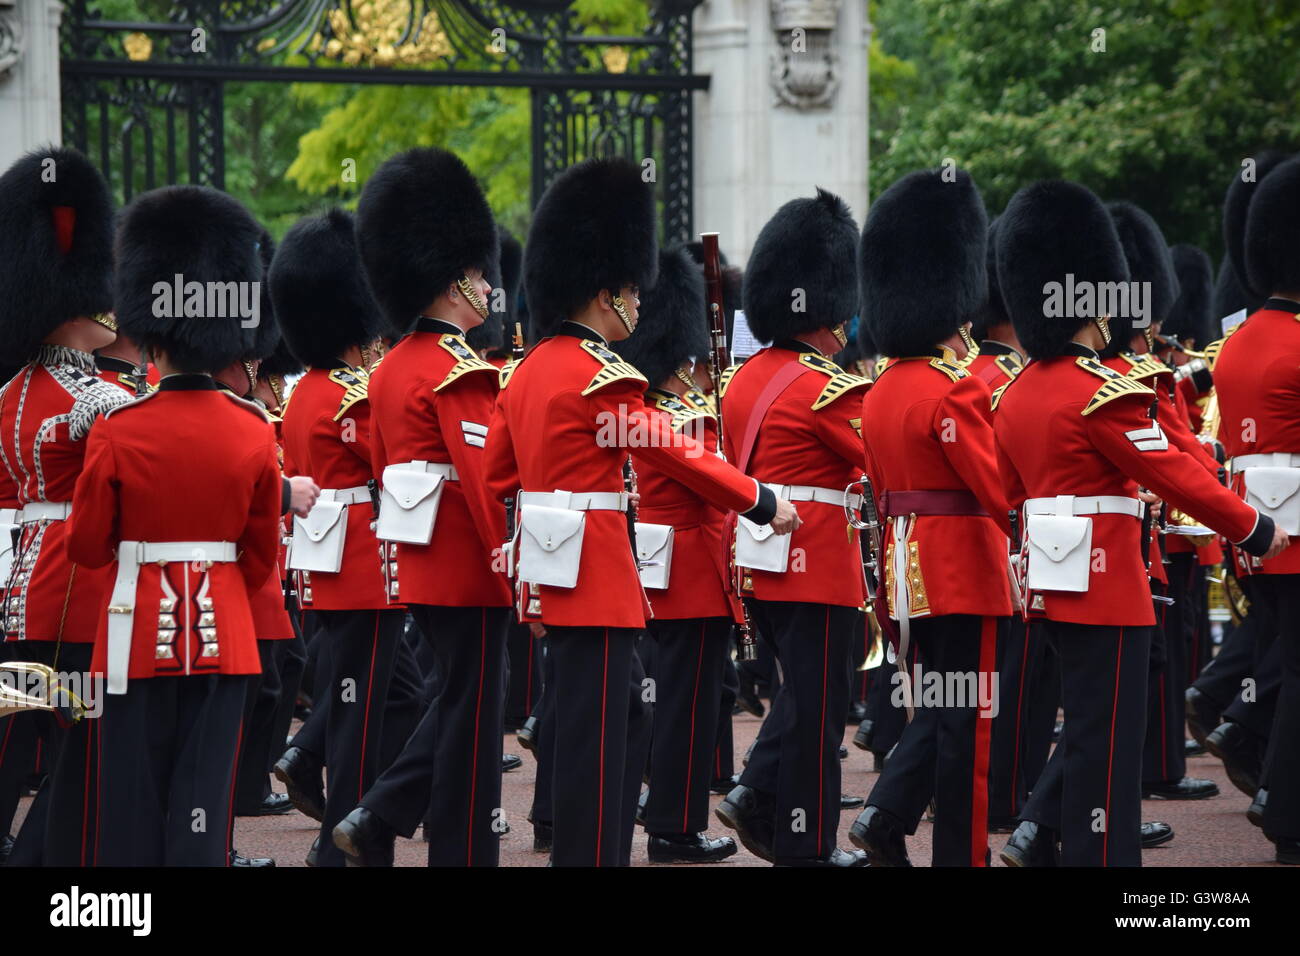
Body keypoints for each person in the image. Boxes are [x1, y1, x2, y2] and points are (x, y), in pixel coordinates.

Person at [483, 156, 798, 867]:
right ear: (604, 295)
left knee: (607, 715)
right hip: (594, 573)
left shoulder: (526, 371)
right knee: (603, 735)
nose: (638, 304)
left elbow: (496, 474)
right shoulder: (602, 377)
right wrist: (759, 498)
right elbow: (674, 454)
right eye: (630, 292)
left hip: (548, 567)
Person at [992, 180, 1286, 867]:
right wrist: (1252, 526)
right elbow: (1175, 476)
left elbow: (1010, 490)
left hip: (1051, 580)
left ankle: (1056, 840)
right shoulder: (1102, 394)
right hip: (1108, 588)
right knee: (1110, 736)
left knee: (1087, 726)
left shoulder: (1016, 394)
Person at [66, 184, 283, 866]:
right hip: (226, 635)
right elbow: (261, 554)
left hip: (132, 639)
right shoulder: (253, 430)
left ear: (150, 331)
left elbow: (86, 545)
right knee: (202, 800)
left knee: (130, 800)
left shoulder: (119, 429)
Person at [331, 147, 511, 867]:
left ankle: (395, 820)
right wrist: (514, 561)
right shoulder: (455, 369)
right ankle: (393, 817)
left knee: (457, 702)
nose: (487, 288)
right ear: (453, 279)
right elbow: (484, 478)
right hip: (469, 564)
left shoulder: (392, 364)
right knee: (472, 711)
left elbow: (383, 467)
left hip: (416, 561)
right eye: (478, 276)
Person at [847, 167, 1009, 868]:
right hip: (963, 572)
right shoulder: (953, 390)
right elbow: (998, 485)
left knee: (938, 709)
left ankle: (885, 817)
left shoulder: (881, 389)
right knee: (968, 724)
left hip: (906, 571)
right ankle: (959, 856)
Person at [712, 188, 871, 867]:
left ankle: (756, 800)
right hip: (817, 564)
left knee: (801, 700)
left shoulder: (744, 378)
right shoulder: (825, 386)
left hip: (760, 561)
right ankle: (808, 841)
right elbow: (881, 459)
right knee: (819, 716)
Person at [268, 207, 414, 868]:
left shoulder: (304, 392)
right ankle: (342, 843)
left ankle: (352, 821)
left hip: (326, 561)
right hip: (362, 563)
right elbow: (390, 468)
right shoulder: (354, 396)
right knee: (360, 710)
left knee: (381, 696)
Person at [0, 146, 129, 866]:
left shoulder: (9, 396)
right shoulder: (98, 399)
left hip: (23, 589)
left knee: (18, 732)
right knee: (86, 739)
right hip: (82, 595)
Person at [612, 244, 740, 863]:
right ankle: (674, 827)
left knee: (678, 699)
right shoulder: (683, 418)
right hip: (692, 570)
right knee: (688, 706)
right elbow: (715, 481)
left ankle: (668, 813)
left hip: (666, 567)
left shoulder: (657, 410)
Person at [1213, 153, 1300, 864]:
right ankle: (1284, 808)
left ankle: (1273, 786)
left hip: (1256, 536)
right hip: (1296, 537)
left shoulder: (1238, 345)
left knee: (1281, 660)